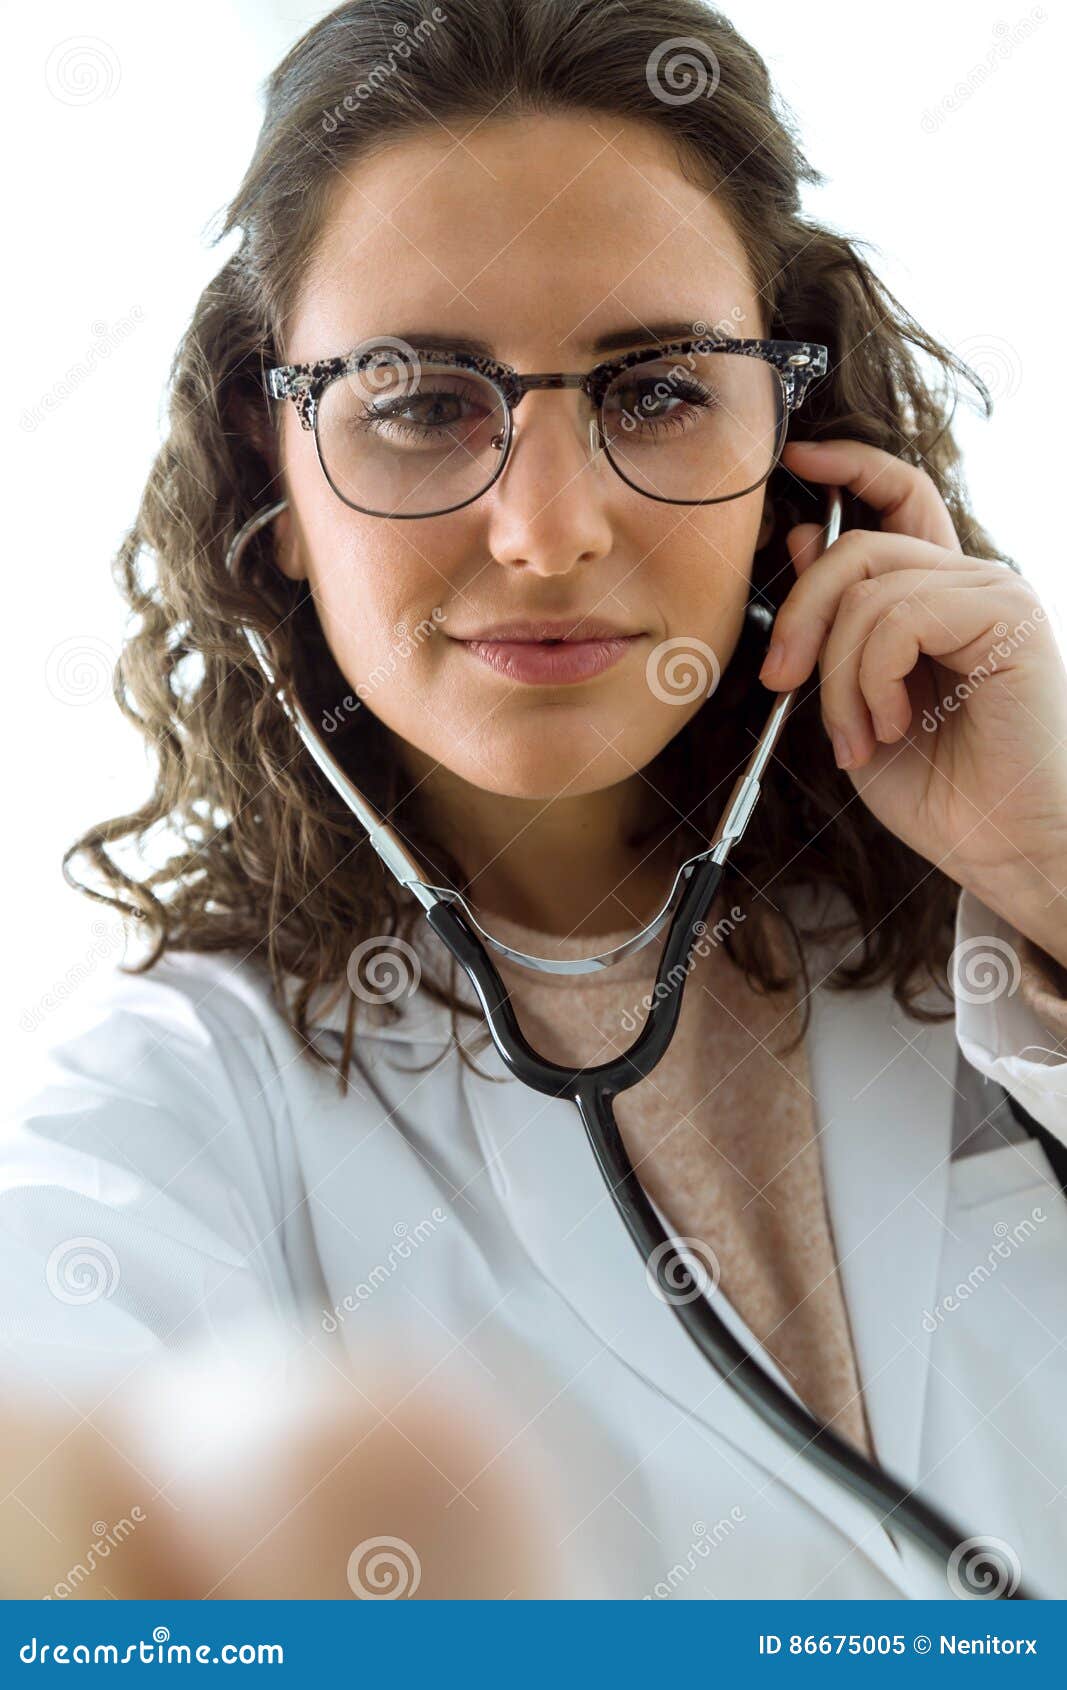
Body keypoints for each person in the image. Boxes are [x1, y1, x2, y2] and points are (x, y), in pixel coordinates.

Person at [6, 0, 1067, 1601]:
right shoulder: (189, 1104)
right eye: (425, 401)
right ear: (274, 477)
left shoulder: (1003, 934)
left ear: (792, 435)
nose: (549, 528)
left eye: (655, 389)